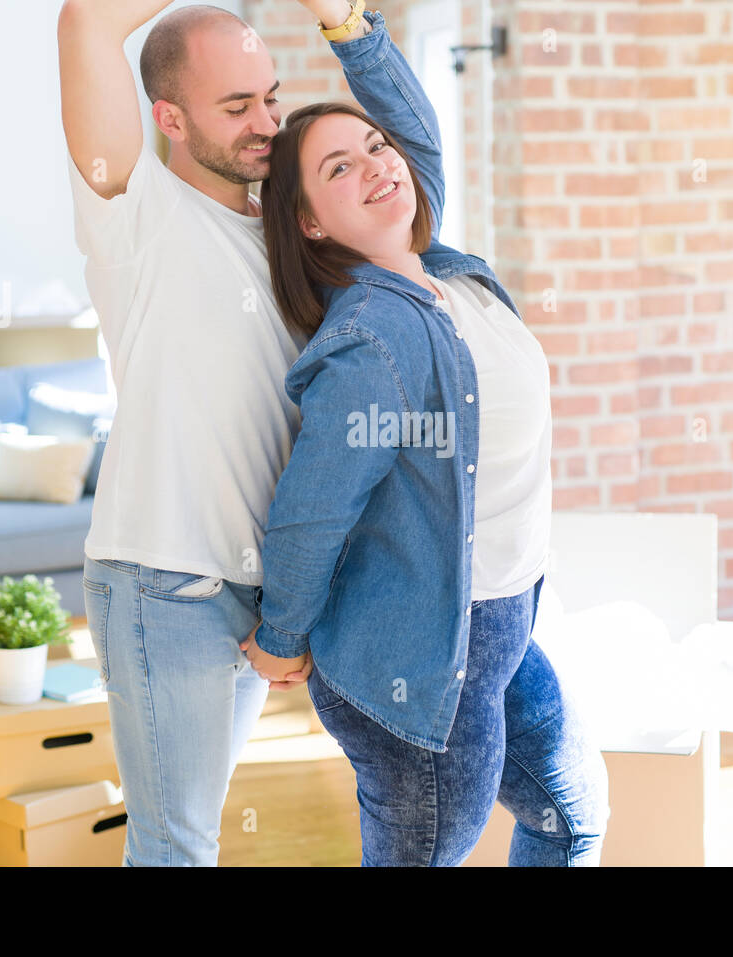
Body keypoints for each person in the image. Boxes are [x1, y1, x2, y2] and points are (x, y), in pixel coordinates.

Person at [241, 4, 610, 866]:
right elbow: (315, 501)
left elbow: (413, 132)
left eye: (376, 149)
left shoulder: (438, 265)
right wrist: (281, 634)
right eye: (340, 167)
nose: (376, 166)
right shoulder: (376, 334)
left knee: (569, 814)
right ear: (308, 221)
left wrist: (345, 25)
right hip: (427, 657)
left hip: (502, 625)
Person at [57, 0, 351, 866]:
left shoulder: (287, 234)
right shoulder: (135, 214)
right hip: (164, 584)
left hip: (253, 593)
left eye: (271, 97)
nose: (268, 123)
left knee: (186, 838)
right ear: (170, 119)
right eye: (237, 107)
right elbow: (82, 23)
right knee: (176, 845)